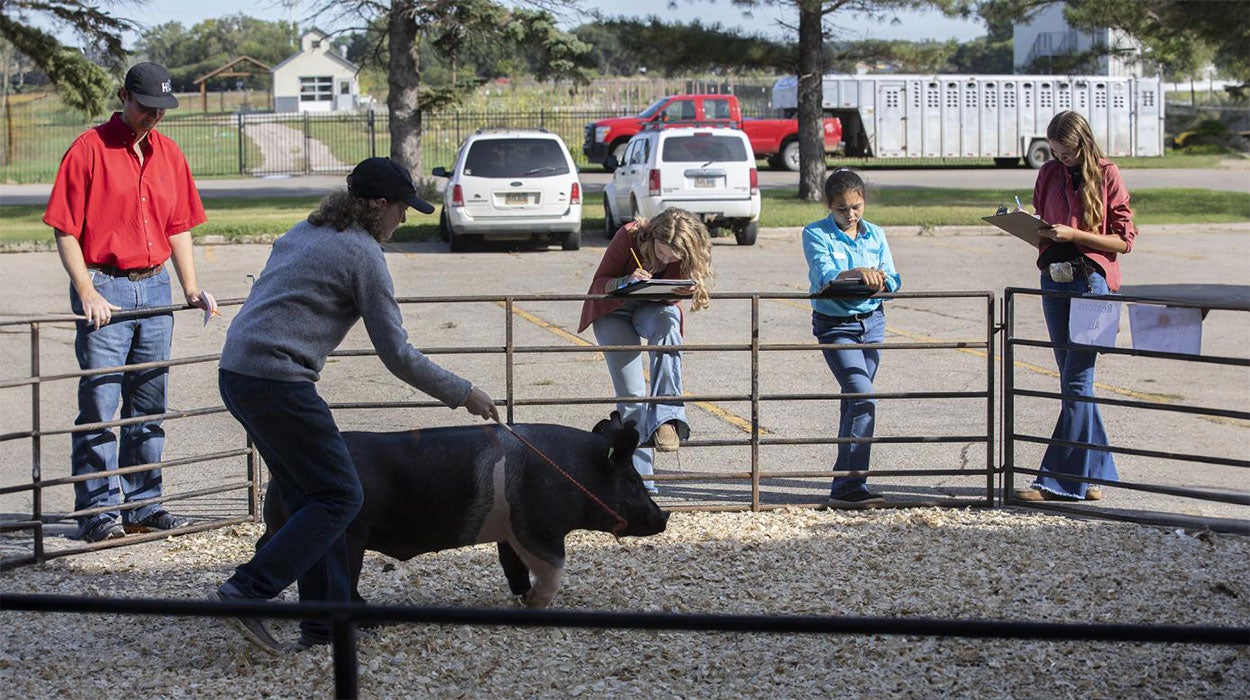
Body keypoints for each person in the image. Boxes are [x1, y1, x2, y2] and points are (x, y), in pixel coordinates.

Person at [212, 156, 499, 654]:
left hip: (238, 373)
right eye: (402, 209)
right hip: (278, 381)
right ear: (378, 205)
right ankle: (248, 589)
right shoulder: (363, 254)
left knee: (310, 500)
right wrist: (464, 392)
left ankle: (324, 623)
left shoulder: (307, 230)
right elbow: (398, 354)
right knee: (342, 496)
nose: (405, 220)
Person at [43, 62, 218, 543]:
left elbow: (178, 224)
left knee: (148, 404)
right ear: (123, 96)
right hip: (107, 288)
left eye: (161, 110)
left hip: (157, 286)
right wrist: (87, 291)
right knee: (100, 405)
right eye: (146, 107)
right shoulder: (87, 150)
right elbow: (64, 228)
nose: (153, 117)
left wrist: (190, 286)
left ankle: (144, 503)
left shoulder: (169, 154)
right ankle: (97, 511)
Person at [1015, 110, 1137, 503]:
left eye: (1067, 153)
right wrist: (1031, 228)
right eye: (1055, 153)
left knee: (1076, 382)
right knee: (1072, 381)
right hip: (1054, 278)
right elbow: (1039, 222)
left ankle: (1057, 482)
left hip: (1091, 283)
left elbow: (1124, 240)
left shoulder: (1107, 173)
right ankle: (1096, 474)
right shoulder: (1048, 173)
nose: (1061, 160)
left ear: (1082, 142)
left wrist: (1076, 234)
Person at [577, 208, 713, 492]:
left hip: (653, 307)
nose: (665, 260)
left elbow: (687, 287)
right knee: (633, 394)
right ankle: (641, 484)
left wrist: (685, 289)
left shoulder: (688, 252)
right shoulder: (628, 236)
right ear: (651, 237)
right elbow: (600, 282)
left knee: (668, 328)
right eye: (661, 253)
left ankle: (667, 419)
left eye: (672, 256)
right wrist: (627, 281)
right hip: (612, 311)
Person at [802, 168, 901, 507]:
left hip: (872, 321)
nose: (851, 215)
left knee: (855, 399)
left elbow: (894, 277)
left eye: (857, 207)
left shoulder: (876, 234)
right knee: (863, 395)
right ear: (829, 205)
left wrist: (883, 280)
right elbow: (825, 273)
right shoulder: (815, 233)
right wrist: (857, 273)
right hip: (835, 323)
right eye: (842, 209)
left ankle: (844, 486)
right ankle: (851, 486)